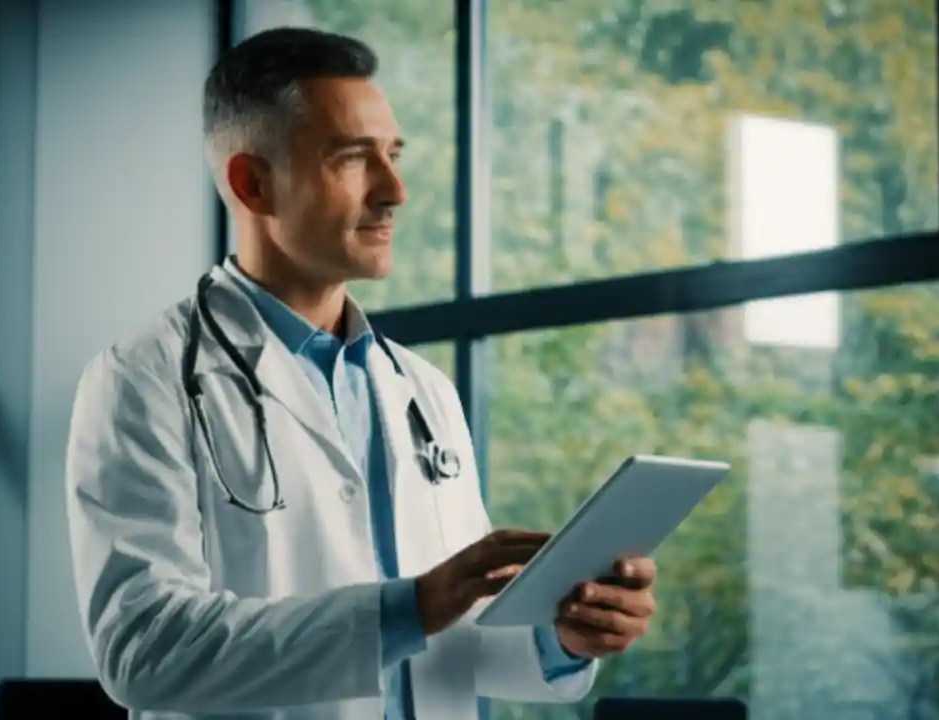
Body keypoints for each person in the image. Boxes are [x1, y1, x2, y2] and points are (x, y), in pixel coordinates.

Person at [64, 27, 658, 720]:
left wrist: (564, 636)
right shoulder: (144, 379)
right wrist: (409, 606)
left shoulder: (423, 392)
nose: (395, 191)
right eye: (352, 159)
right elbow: (145, 652)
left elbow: (459, 643)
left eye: (394, 156)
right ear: (253, 184)